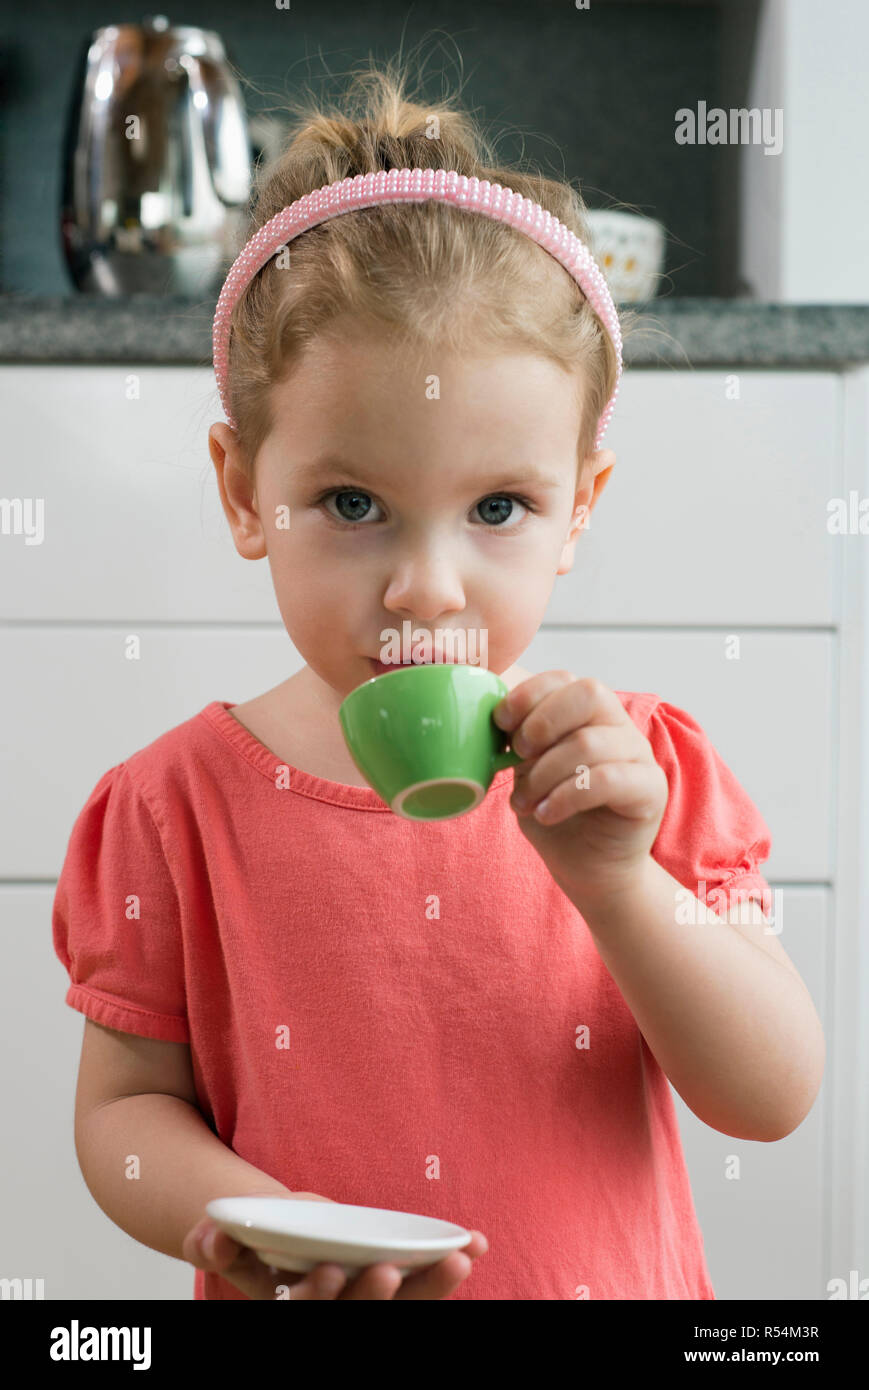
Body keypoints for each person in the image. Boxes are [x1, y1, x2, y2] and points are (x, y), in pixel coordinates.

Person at [53, 58, 825, 1301]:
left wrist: (620, 886)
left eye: (499, 507)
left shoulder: (634, 781)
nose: (426, 586)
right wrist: (252, 1217)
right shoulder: (171, 807)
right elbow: (119, 1123)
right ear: (246, 492)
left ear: (580, 509)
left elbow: (772, 1092)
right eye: (353, 502)